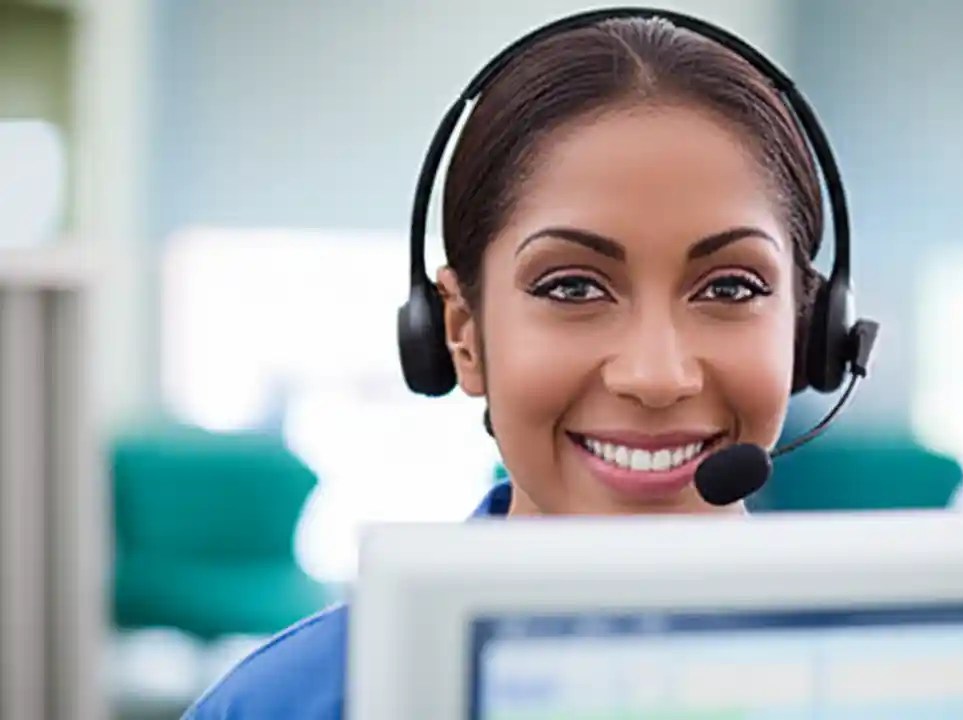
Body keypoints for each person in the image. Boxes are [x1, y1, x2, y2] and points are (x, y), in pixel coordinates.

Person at [184, 12, 827, 718]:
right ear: (461, 334)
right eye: (571, 287)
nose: (656, 375)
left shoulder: (920, 675)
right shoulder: (290, 705)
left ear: (810, 330)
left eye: (730, 288)